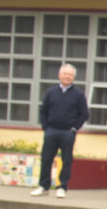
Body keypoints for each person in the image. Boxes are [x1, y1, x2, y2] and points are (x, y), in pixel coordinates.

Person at [31, 64, 88, 198]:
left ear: (73, 77)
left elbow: (84, 114)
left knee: (66, 160)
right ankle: (43, 186)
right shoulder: (51, 92)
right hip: (51, 131)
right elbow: (43, 110)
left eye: (70, 75)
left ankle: (62, 187)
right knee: (46, 159)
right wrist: (45, 127)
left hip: (67, 133)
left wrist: (74, 129)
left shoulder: (78, 94)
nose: (67, 77)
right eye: (65, 74)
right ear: (59, 75)